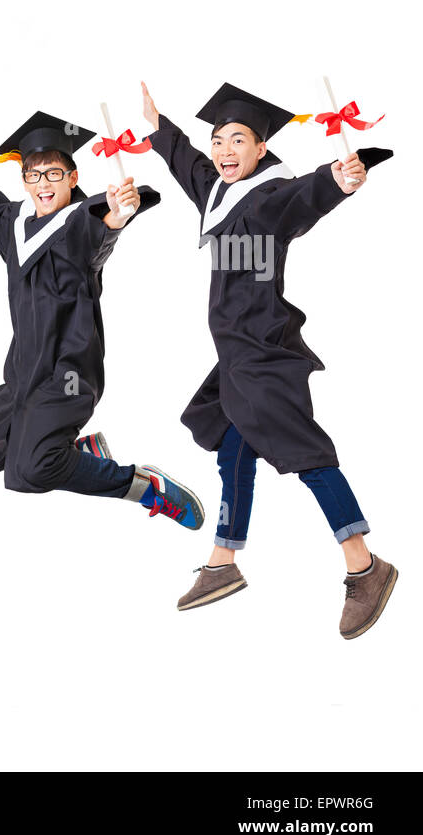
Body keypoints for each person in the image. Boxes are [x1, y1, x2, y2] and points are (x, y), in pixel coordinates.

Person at [142, 81, 397, 638]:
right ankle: (222, 564)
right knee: (233, 452)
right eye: (218, 140)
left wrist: (341, 180)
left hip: (264, 353)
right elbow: (189, 166)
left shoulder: (268, 196)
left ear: (262, 149)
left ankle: (365, 566)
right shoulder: (218, 190)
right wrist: (160, 128)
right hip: (236, 355)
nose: (224, 150)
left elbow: (305, 195)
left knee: (302, 453)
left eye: (238, 139)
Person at [0, 111, 204, 530]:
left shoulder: (78, 221)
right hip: (22, 372)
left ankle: (144, 486)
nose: (43, 185)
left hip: (68, 371)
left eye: (53, 174)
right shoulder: (15, 224)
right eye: (33, 176)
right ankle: (80, 451)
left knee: (29, 471)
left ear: (72, 178)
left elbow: (102, 229)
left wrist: (120, 213)